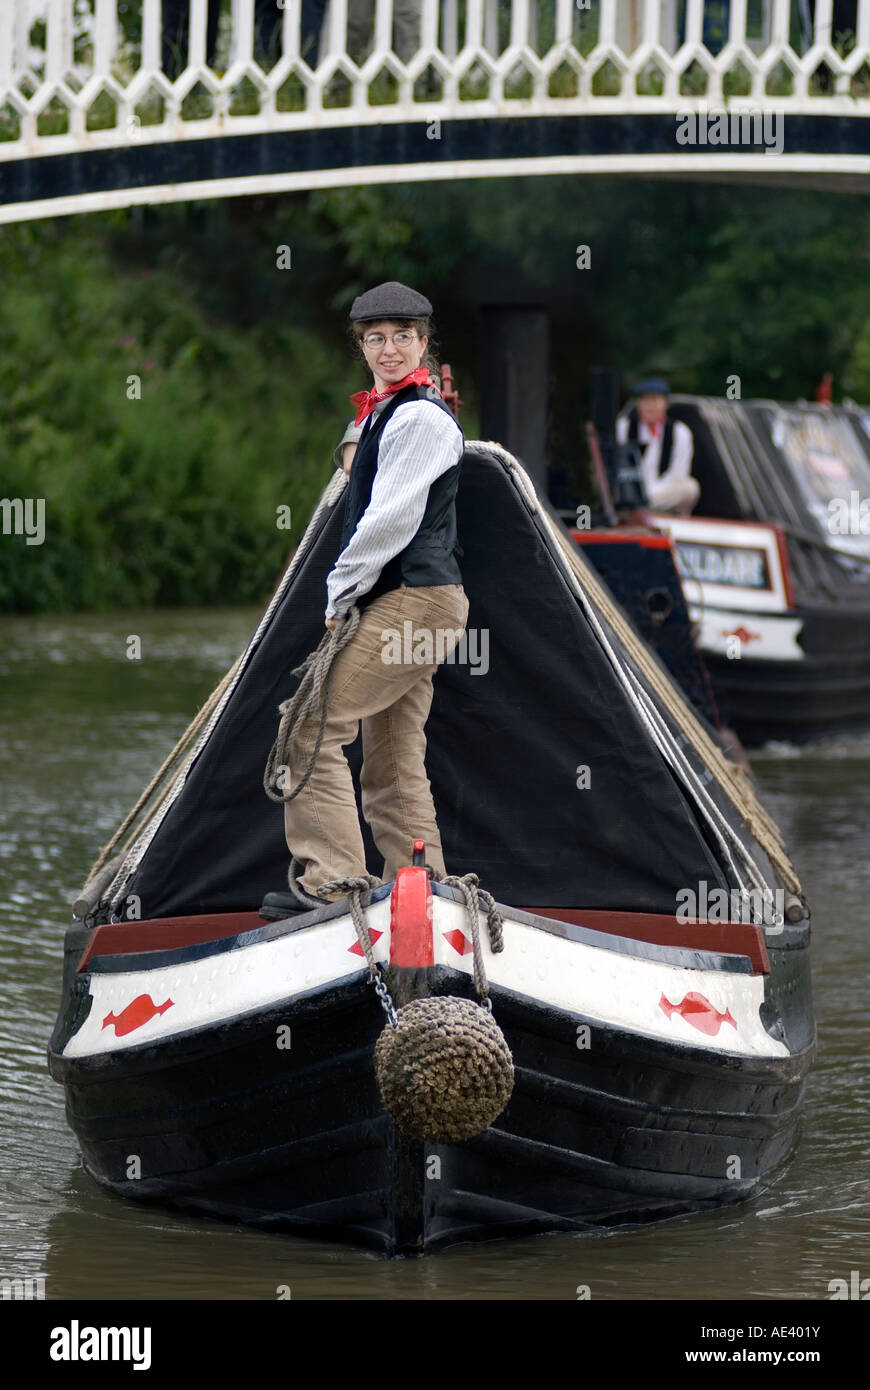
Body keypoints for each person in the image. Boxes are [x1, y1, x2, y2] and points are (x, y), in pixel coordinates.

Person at [263, 281, 469, 916]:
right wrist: (358, 435)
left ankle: (334, 886)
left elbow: (389, 520)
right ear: (363, 346)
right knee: (393, 758)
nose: (388, 349)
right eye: (375, 339)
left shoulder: (418, 416)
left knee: (306, 729)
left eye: (401, 338)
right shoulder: (396, 410)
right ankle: (421, 894)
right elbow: (369, 435)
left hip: (412, 602)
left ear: (424, 344)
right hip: (426, 605)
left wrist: (338, 593)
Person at [615, 378, 700, 515]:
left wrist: (648, 495)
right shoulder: (623, 427)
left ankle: (641, 507)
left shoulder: (679, 432)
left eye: (655, 400)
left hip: (662, 495)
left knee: (690, 487)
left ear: (666, 404)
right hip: (628, 490)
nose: (650, 406)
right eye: (645, 400)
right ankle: (637, 506)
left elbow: (678, 473)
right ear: (638, 404)